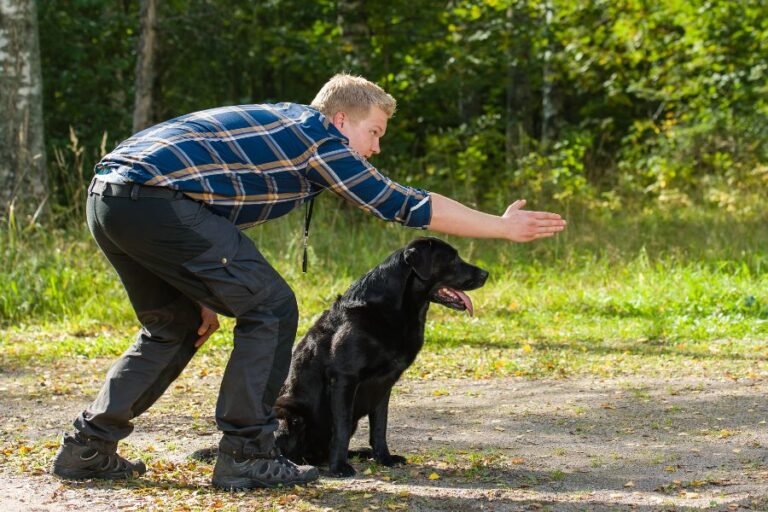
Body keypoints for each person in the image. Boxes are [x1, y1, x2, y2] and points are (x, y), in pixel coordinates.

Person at [51, 74, 566, 488]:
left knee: (176, 325)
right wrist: (500, 227)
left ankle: (87, 448)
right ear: (342, 120)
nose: (376, 148)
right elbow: (402, 203)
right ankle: (248, 453)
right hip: (153, 199)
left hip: (112, 197)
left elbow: (202, 201)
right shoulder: (317, 135)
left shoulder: (280, 130)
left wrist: (195, 293)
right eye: (374, 133)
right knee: (271, 307)